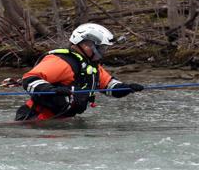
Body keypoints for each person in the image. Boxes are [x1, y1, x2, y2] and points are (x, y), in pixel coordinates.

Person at [15, 23, 144, 121]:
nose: (102, 52)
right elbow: (29, 79)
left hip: (61, 120)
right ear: (86, 45)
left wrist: (127, 88)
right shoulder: (61, 62)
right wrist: (51, 89)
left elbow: (109, 86)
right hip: (34, 118)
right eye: (100, 48)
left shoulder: (91, 67)